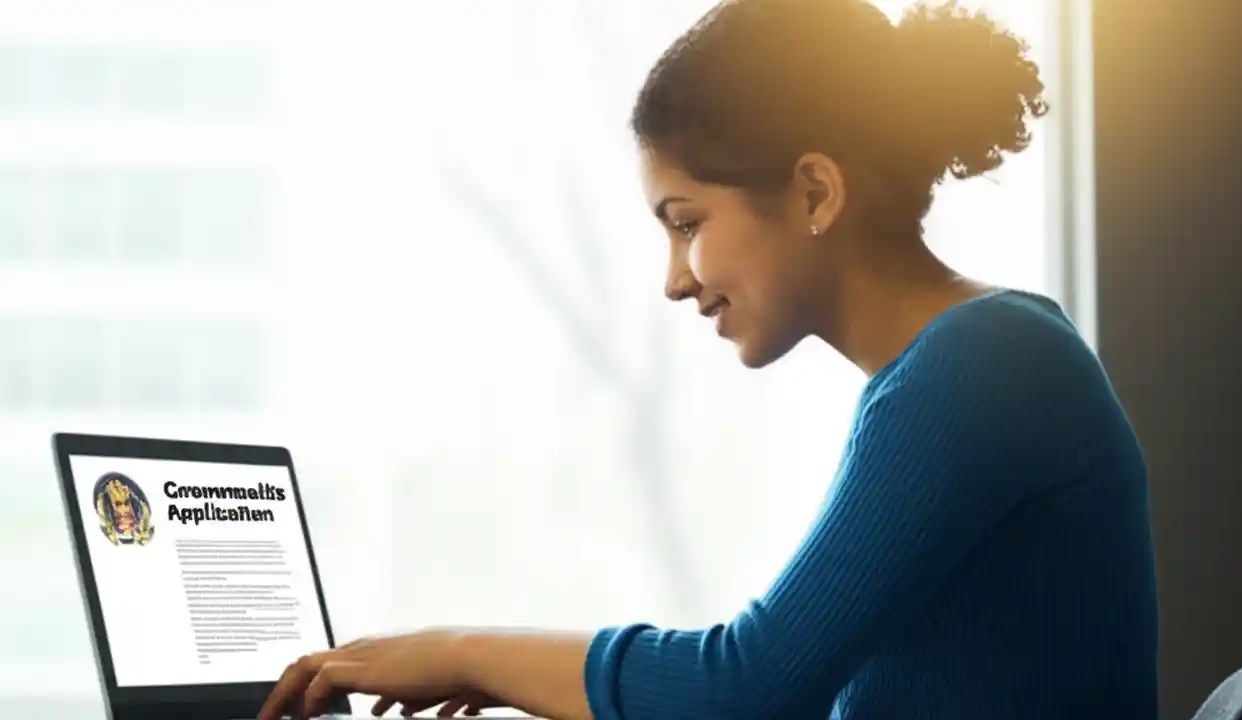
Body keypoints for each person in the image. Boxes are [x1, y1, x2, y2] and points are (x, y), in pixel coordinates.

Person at [258, 0, 1160, 718]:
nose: (675, 280)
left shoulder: (980, 370)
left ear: (815, 192)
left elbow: (744, 688)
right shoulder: (977, 360)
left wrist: (463, 654)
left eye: (687, 224)